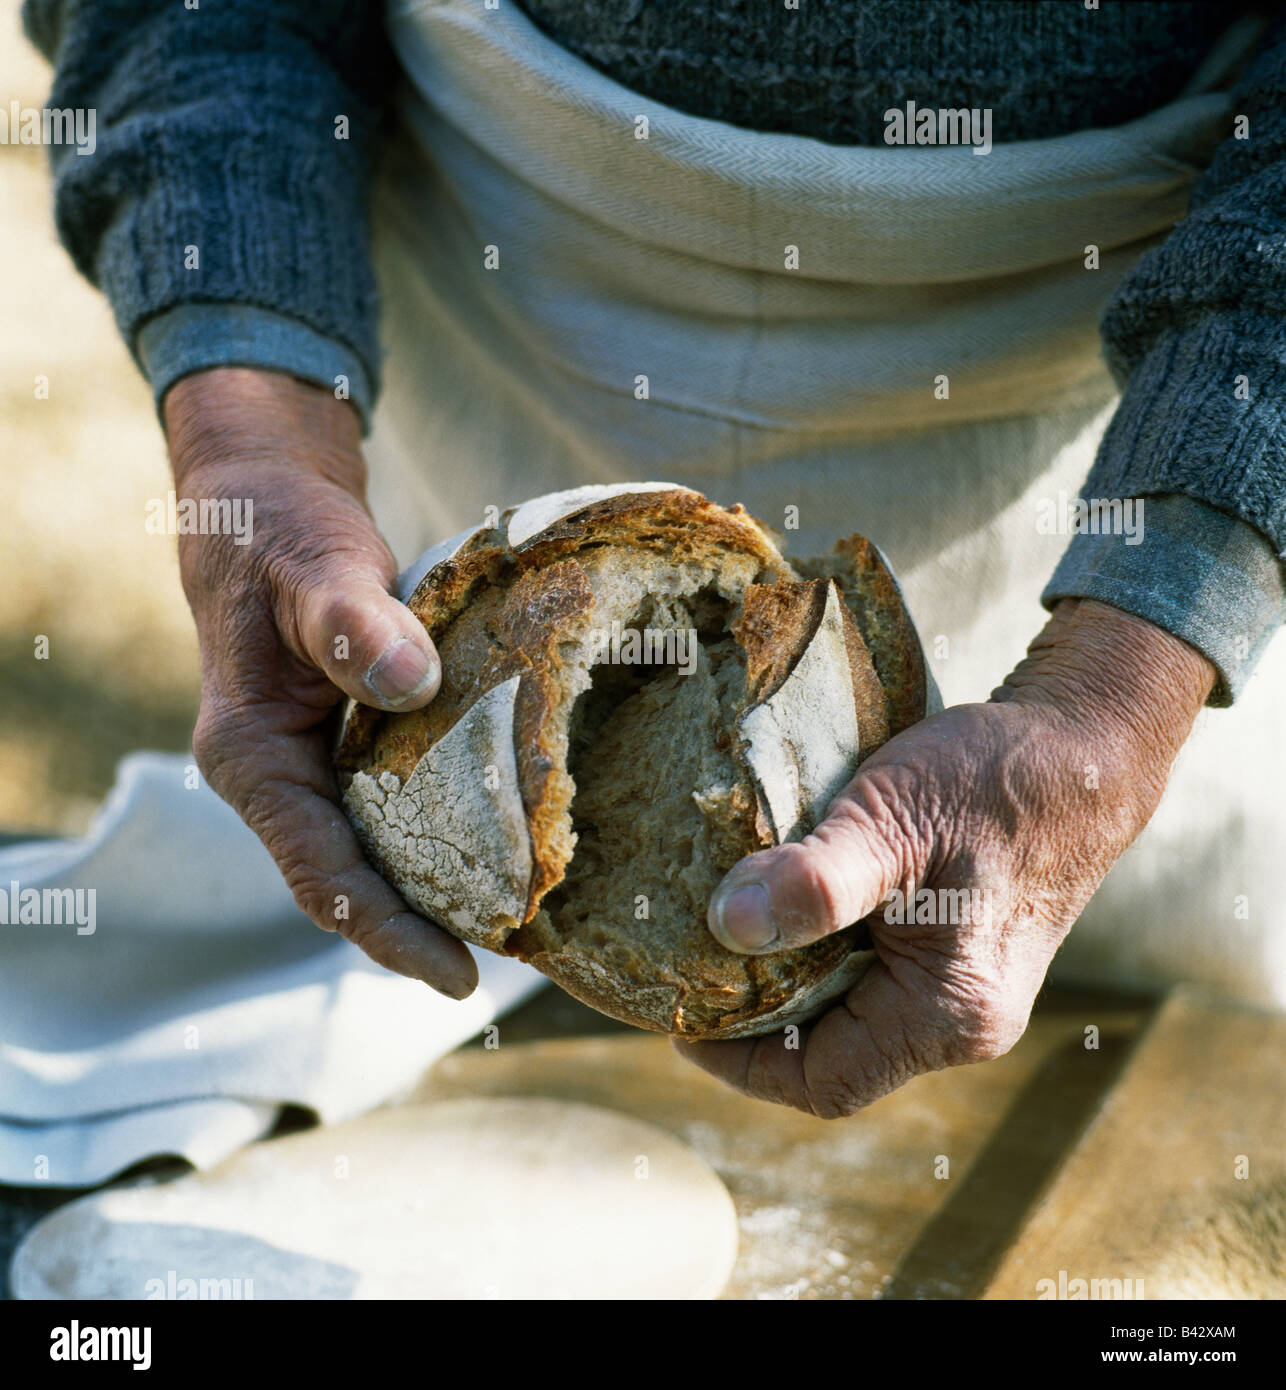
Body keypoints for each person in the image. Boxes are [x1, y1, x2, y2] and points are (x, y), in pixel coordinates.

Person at [24, 0, 1286, 1118]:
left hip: (1147, 558)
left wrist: (1122, 686)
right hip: (473, 413)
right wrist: (251, 434)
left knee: (1151, 1134)